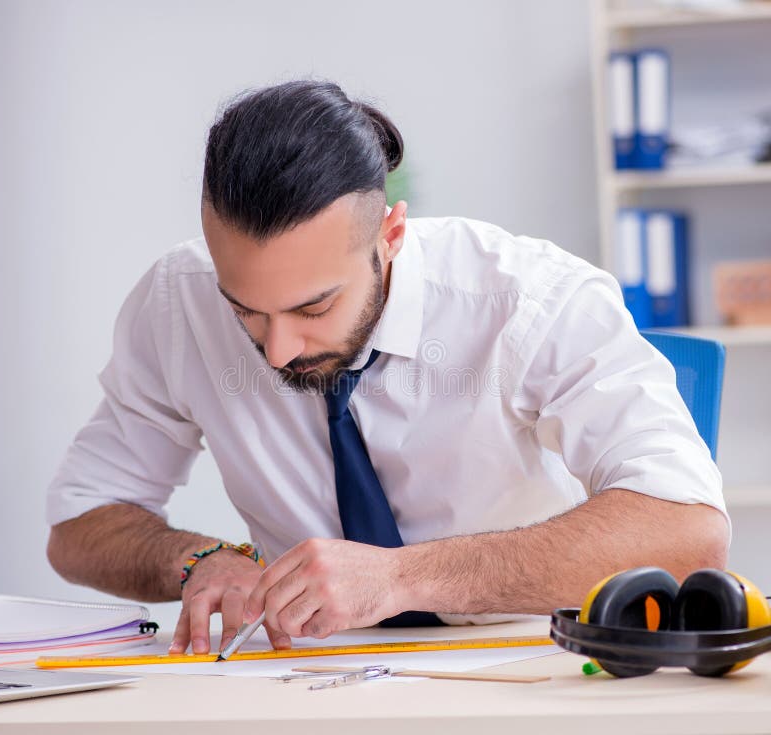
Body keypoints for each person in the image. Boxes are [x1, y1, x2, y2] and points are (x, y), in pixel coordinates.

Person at [46, 80, 729, 656]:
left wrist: (404, 577)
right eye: (245, 310)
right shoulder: (178, 301)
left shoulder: (532, 299)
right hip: (306, 677)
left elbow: (687, 532)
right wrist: (198, 558)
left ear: (391, 236)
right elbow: (80, 523)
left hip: (522, 662)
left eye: (314, 305)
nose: (278, 349)